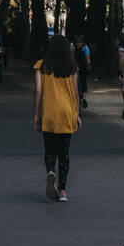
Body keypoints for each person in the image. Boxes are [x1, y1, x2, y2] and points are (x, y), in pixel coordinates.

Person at [33, 35, 81, 202]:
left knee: (50, 150)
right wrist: (77, 114)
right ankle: (62, 191)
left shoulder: (42, 66)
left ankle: (50, 172)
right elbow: (75, 94)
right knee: (64, 152)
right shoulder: (72, 67)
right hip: (67, 112)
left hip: (50, 113)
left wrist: (37, 115)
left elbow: (38, 92)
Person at [72, 34, 91, 108]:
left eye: (80, 42)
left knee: (84, 82)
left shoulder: (85, 48)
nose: (78, 44)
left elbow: (87, 58)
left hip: (83, 66)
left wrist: (88, 65)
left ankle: (84, 99)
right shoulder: (72, 48)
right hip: (75, 66)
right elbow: (71, 57)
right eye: (77, 42)